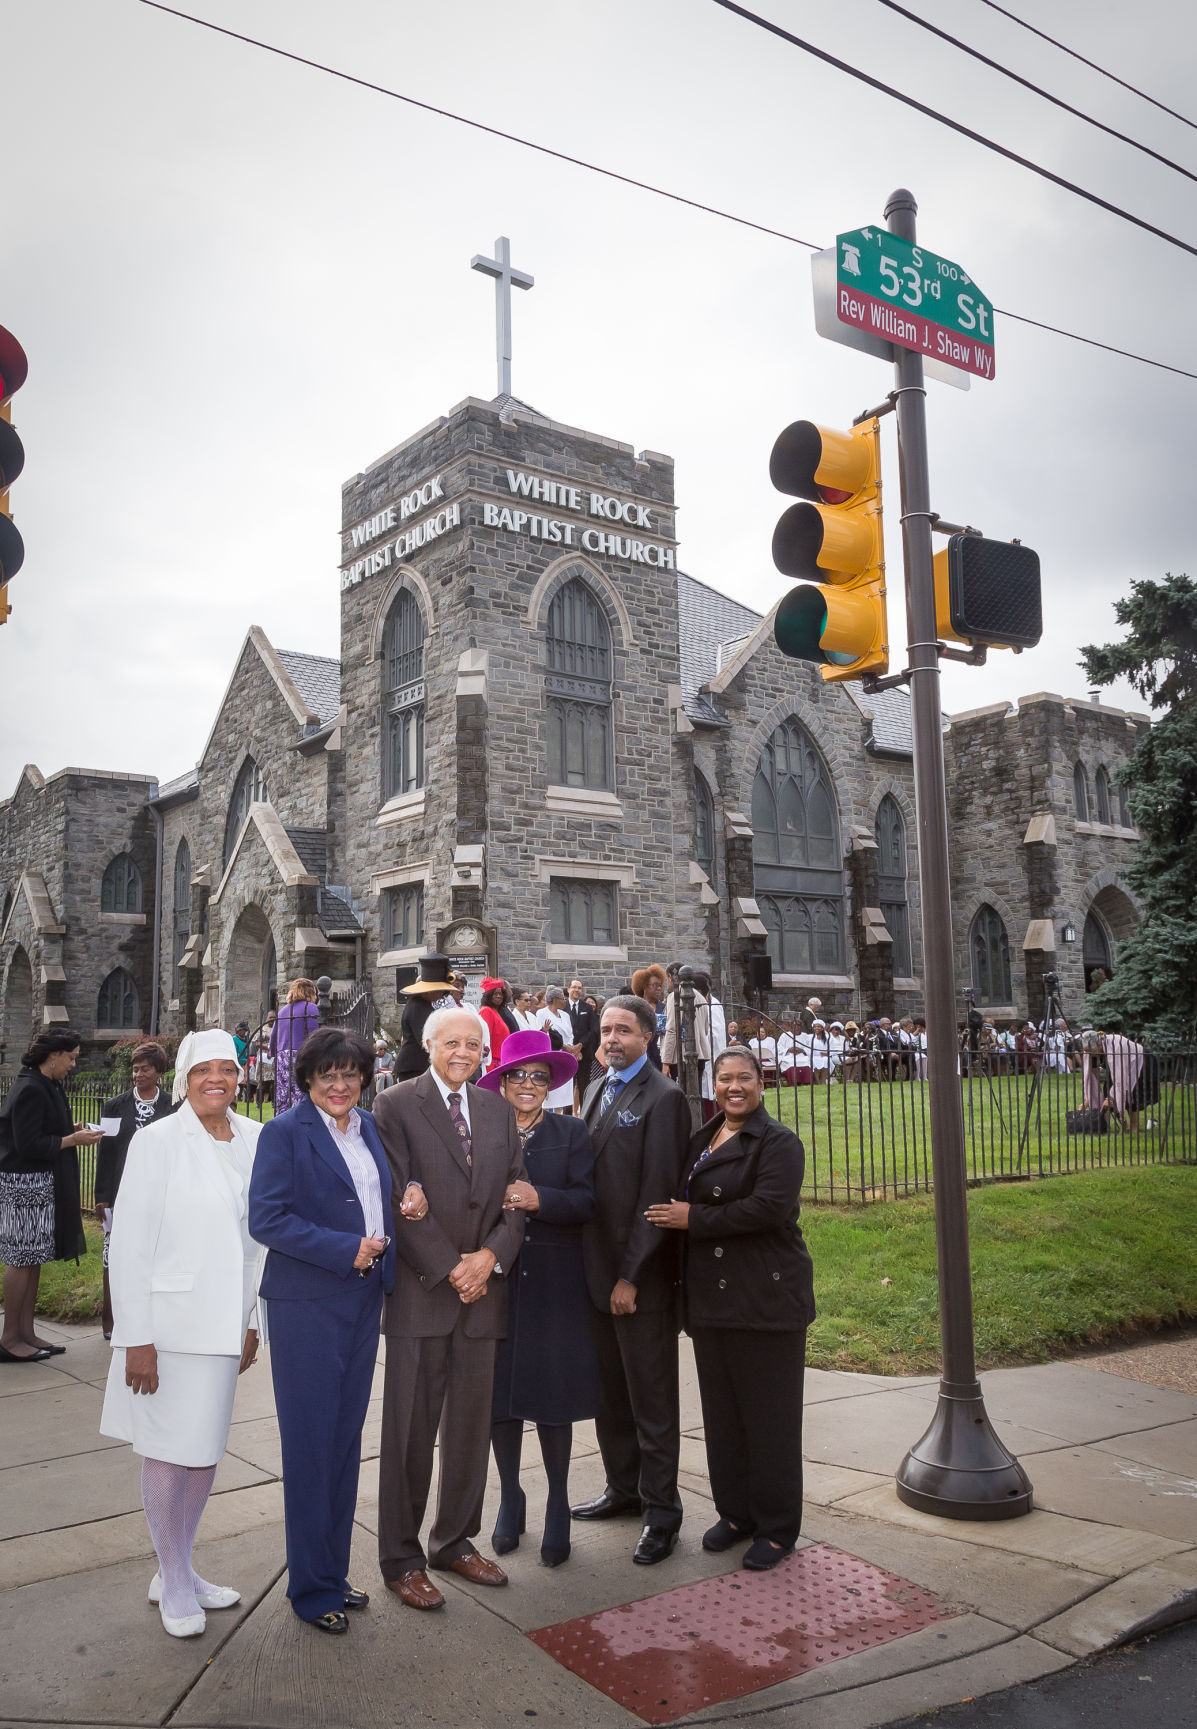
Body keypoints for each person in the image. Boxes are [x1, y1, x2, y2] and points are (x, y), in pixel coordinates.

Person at [249, 1027, 424, 1635]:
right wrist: (345, 1248)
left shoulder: (368, 1125)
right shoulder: (283, 1133)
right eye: (328, 1074)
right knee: (310, 1445)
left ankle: (333, 1572)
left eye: (350, 1073)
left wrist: (410, 1204)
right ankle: (309, 1588)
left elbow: (378, 1194)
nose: (341, 1084)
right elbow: (267, 1218)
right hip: (307, 1304)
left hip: (360, 1298)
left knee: (345, 1443)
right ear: (307, 1079)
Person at [99, 1031, 262, 1638]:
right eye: (203, 1070)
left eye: (228, 1069)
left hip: (224, 1325)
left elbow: (259, 1243)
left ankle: (181, 1566)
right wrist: (136, 1338)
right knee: (169, 1451)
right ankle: (171, 1577)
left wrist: (252, 1322)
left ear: (240, 1077)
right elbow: (130, 1245)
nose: (216, 1079)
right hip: (166, 1331)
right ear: (184, 1078)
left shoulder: (255, 1138)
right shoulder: (157, 1141)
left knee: (204, 1451)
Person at [372, 1006, 527, 1611]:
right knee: (410, 1429)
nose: (462, 1051)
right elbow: (394, 1192)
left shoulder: (496, 1109)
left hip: (484, 1293)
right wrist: (449, 1266)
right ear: (427, 1044)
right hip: (423, 1292)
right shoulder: (395, 1105)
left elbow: (517, 1194)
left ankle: (455, 1541)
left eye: (473, 1043)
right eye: (450, 1042)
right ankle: (402, 1558)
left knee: (468, 1428)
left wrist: (490, 1258)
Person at [646, 1044, 815, 1571]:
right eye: (725, 1079)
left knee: (770, 1419)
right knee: (723, 1417)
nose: (734, 1087)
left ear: (761, 1084)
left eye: (745, 1078)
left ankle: (777, 1526)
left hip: (765, 1299)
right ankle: (736, 1513)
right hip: (713, 1300)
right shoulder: (704, 1136)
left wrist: (694, 1219)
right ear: (712, 1084)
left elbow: (768, 1209)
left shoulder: (779, 1142)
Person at [572, 995, 691, 1565]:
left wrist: (631, 1276)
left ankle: (662, 1511)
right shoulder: (596, 1087)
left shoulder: (664, 1099)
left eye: (623, 1030)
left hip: (636, 1280)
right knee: (611, 1397)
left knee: (650, 1398)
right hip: (595, 1274)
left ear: (648, 1037)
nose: (612, 1038)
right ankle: (623, 1490)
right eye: (605, 1029)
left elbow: (658, 1195)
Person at [479, 1029, 597, 1567]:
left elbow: (588, 1201)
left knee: (551, 1401)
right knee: (499, 1399)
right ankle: (510, 1495)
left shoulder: (572, 1134)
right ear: (502, 1082)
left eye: (539, 1078)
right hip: (497, 1279)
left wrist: (539, 1198)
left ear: (551, 1086)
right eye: (519, 1075)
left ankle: (556, 1500)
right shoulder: (483, 1131)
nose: (528, 1085)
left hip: (554, 1281)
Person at [0, 1030, 103, 1363]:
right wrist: (73, 1140)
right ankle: (9, 1338)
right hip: (22, 1185)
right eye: (70, 1057)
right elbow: (27, 1144)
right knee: (21, 1259)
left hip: (38, 1184)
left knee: (33, 1259)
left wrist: (69, 1129)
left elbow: (42, 1129)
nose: (73, 1064)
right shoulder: (30, 1087)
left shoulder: (46, 1084)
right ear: (52, 1055)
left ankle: (26, 1333)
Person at [97, 1041, 175, 1340]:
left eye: (145, 1069)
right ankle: (111, 1320)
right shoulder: (114, 1106)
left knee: (156, 1255)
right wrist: (102, 1196)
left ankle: (154, 1317)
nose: (138, 1074)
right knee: (113, 1257)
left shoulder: (171, 1105)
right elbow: (106, 1154)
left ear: (158, 1072)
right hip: (120, 1191)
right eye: (135, 1068)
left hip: (160, 1192)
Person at [394, 954, 457, 1080]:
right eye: (438, 990)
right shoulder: (418, 1006)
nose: (440, 994)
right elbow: (427, 1038)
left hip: (419, 1067)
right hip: (414, 1068)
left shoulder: (423, 1005)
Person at [271, 980, 320, 1112]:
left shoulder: (283, 1011)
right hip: (301, 1054)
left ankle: (282, 1121)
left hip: (282, 1056)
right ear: (311, 992)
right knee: (301, 1091)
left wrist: (274, 1052)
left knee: (283, 1094)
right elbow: (314, 1033)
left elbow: (273, 1037)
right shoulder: (310, 1008)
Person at [536, 987, 578, 1112]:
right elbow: (542, 1034)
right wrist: (562, 1046)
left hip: (566, 1055)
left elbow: (570, 1034)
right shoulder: (542, 1013)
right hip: (551, 1054)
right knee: (551, 1090)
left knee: (563, 1090)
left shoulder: (565, 1015)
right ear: (554, 999)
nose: (565, 1001)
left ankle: (559, 1116)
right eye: (562, 998)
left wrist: (569, 1047)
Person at [566, 978, 601, 1099]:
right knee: (567, 1087)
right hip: (566, 1052)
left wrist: (580, 1045)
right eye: (574, 987)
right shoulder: (562, 1007)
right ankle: (567, 1115)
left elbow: (592, 1030)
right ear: (568, 989)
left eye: (579, 988)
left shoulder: (587, 1008)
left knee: (583, 1086)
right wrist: (570, 1048)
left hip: (584, 1054)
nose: (577, 990)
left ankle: (583, 1115)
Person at [631, 964, 668, 1071]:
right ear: (644, 986)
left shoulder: (665, 1008)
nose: (659, 988)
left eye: (661, 985)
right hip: (640, 1057)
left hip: (660, 1057)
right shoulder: (635, 1007)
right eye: (655, 985)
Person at [479, 978, 518, 1074]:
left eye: (500, 994)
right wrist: (490, 1067)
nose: (498, 996)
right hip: (492, 1064)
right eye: (495, 994)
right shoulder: (486, 1011)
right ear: (488, 996)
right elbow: (486, 1040)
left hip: (500, 1061)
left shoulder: (496, 1011)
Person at [250, 1012, 276, 1106]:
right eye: (270, 1017)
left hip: (274, 1056)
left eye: (274, 1017)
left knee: (274, 1079)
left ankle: (274, 1102)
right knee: (262, 1080)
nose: (272, 1019)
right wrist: (268, 1047)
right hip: (264, 1057)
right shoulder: (262, 1028)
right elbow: (256, 1043)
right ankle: (259, 1103)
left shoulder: (279, 1027)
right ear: (266, 1018)